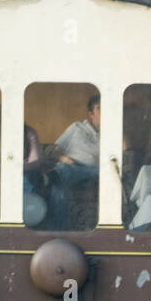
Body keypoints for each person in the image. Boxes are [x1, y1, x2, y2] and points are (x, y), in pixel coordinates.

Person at [46, 94, 100, 230]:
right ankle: (57, 231)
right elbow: (52, 150)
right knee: (62, 177)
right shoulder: (77, 127)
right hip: (71, 168)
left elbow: (124, 149)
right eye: (99, 109)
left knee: (62, 174)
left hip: (95, 171)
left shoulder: (112, 133)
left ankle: (56, 175)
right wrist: (64, 159)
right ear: (91, 114)